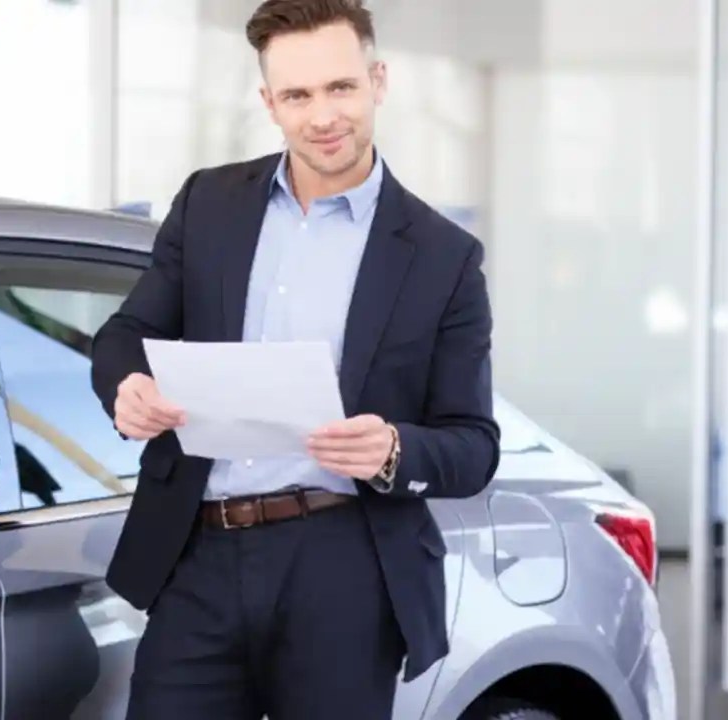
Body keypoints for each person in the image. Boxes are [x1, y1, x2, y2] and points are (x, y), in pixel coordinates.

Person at [89, 0, 499, 717]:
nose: (323, 116)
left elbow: (474, 445)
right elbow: (126, 333)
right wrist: (127, 386)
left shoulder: (444, 257)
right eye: (298, 95)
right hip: (198, 557)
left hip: (345, 567)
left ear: (378, 81)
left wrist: (394, 449)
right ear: (269, 103)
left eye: (340, 87)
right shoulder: (208, 204)